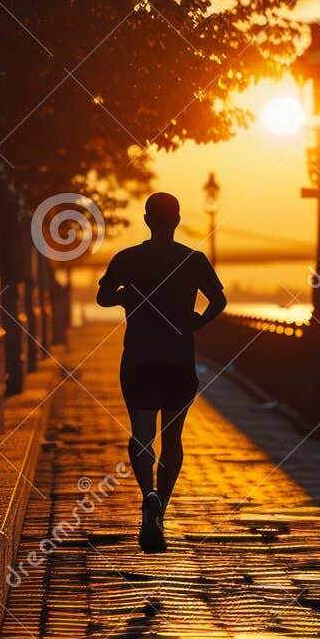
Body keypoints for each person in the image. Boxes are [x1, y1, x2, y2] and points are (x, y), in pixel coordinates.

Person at [95, 192, 226, 552]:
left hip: (138, 359)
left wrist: (124, 297)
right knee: (173, 438)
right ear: (178, 220)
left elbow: (103, 297)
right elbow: (220, 300)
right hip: (178, 361)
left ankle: (147, 495)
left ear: (147, 219)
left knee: (141, 435)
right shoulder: (193, 259)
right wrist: (199, 322)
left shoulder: (127, 258)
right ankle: (161, 509)